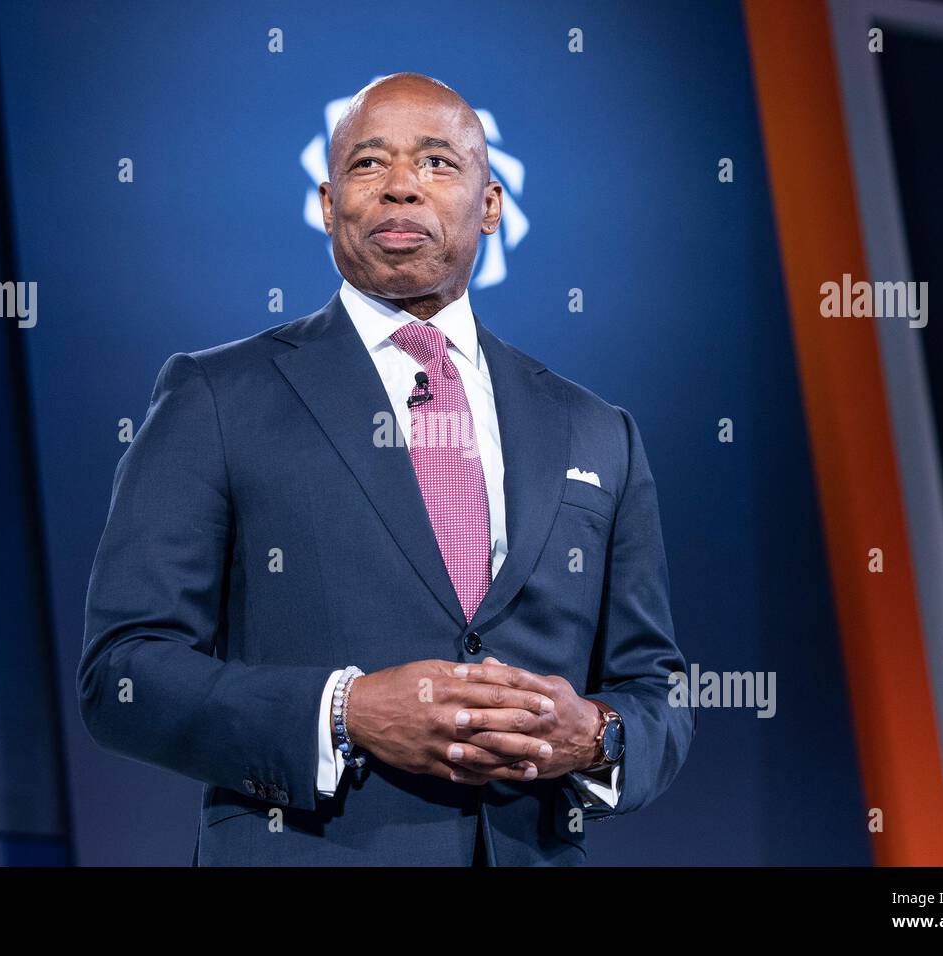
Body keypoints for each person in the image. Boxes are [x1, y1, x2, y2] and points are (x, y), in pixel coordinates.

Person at [78, 72, 693, 866]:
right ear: (331, 205)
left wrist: (597, 737)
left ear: (493, 205)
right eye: (370, 165)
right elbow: (123, 673)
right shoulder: (217, 396)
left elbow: (660, 692)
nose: (402, 187)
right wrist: (345, 712)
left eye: (439, 163)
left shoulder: (598, 430)